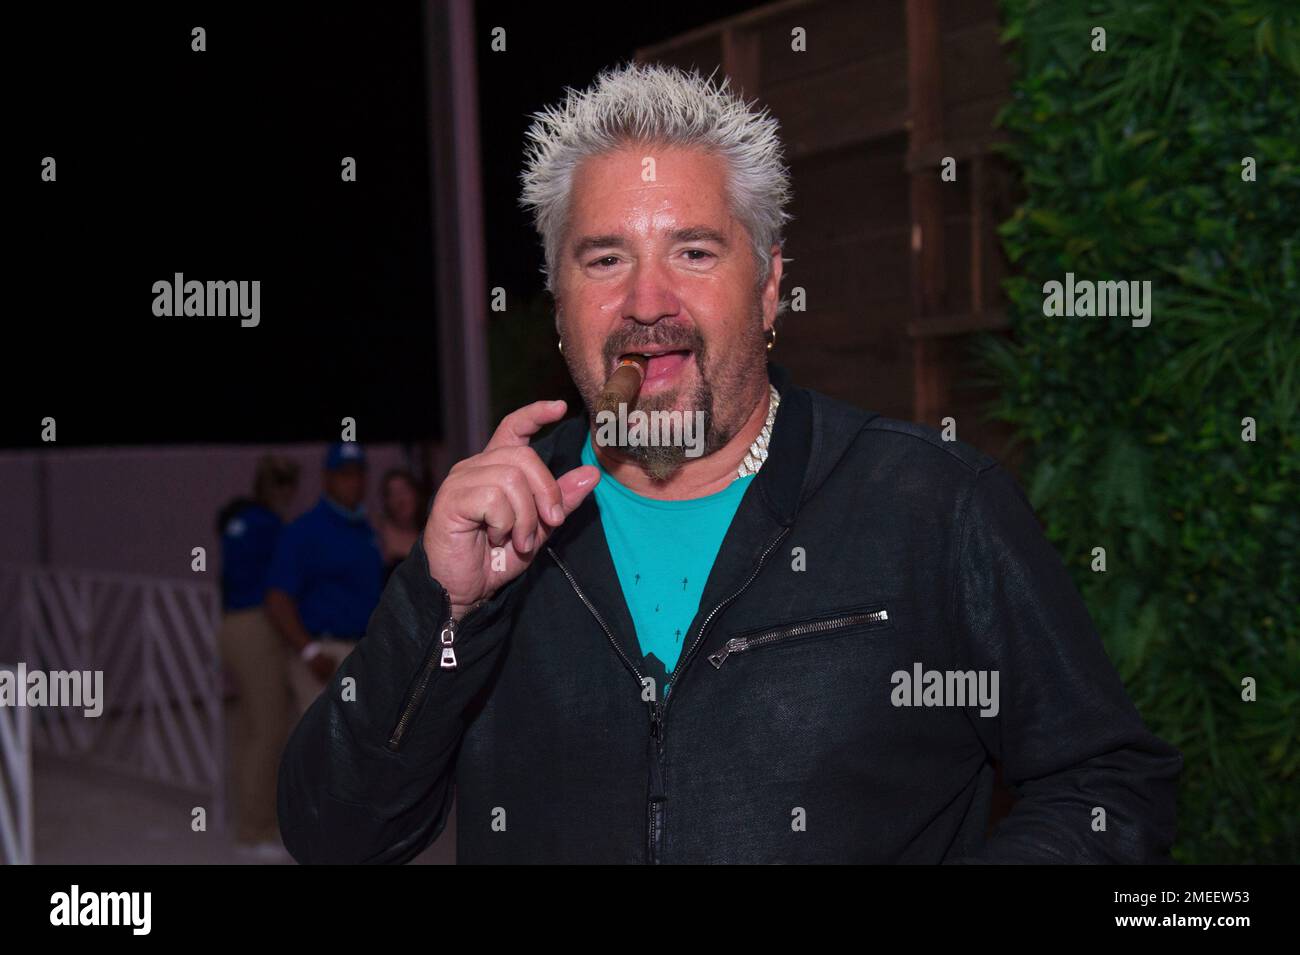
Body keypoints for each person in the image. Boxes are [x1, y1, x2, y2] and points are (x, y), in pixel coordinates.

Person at [278, 63, 1182, 864]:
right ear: (559, 309)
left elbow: (1108, 785)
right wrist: (444, 608)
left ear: (768, 285)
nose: (646, 301)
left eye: (694, 250)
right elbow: (334, 833)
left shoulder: (933, 505)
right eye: (604, 258)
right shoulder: (493, 530)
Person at [215, 454, 299, 858]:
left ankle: (248, 820)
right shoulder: (270, 526)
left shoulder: (237, 520)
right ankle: (256, 830)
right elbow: (279, 586)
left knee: (250, 726)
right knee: (269, 727)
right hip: (256, 625)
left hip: (231, 624)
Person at [264, 441, 384, 719]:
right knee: (324, 742)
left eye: (358, 474)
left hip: (364, 651)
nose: (353, 482)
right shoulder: (303, 531)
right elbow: (278, 599)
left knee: (363, 741)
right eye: (344, 475)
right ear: (327, 479)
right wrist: (309, 651)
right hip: (324, 653)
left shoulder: (366, 530)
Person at [377, 468, 424, 585]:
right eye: (393, 494)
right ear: (386, 502)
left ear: (416, 495)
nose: (400, 500)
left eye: (404, 491)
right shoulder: (379, 536)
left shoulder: (429, 534)